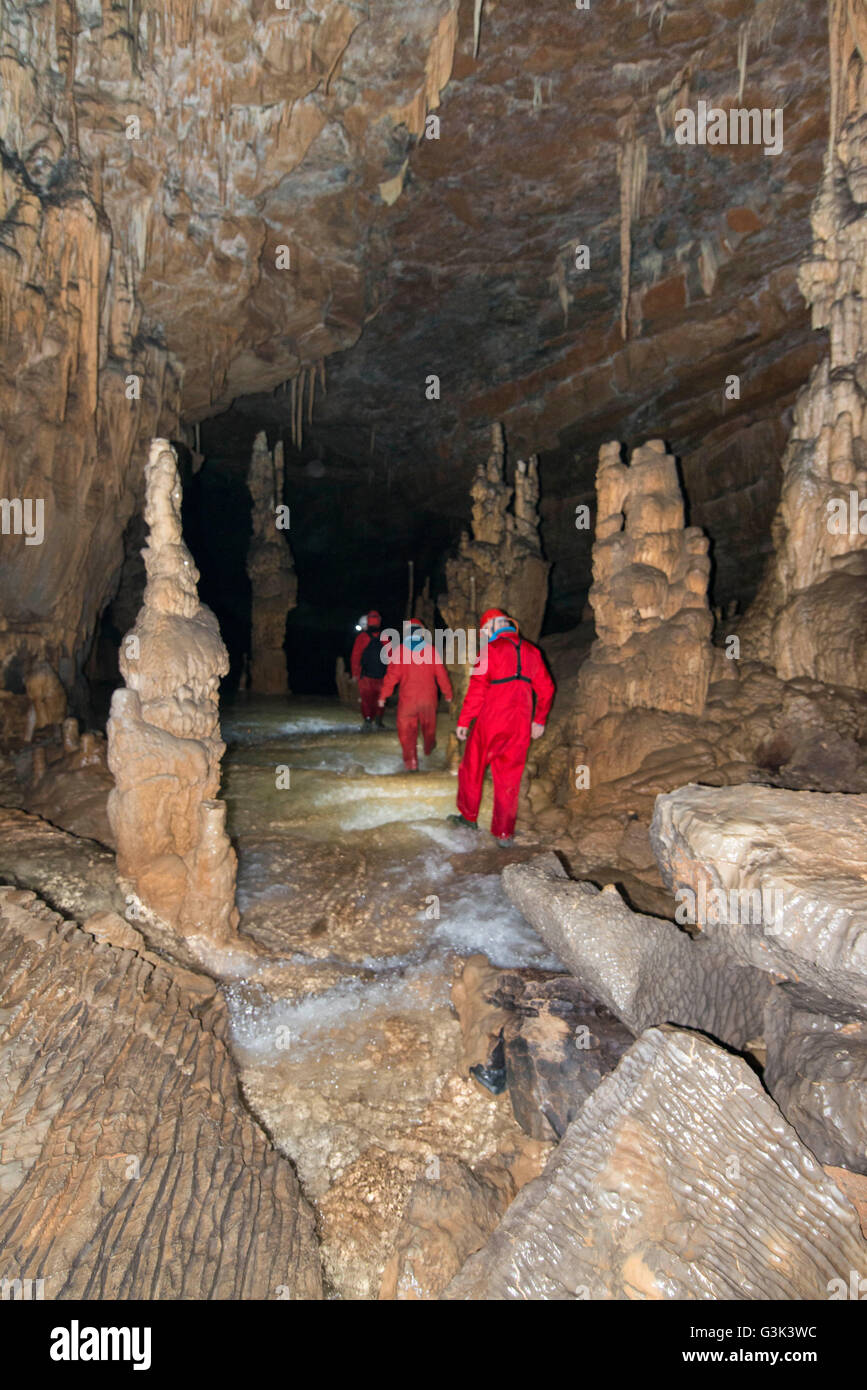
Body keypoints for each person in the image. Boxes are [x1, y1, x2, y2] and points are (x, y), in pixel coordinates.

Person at [448, 608, 554, 846]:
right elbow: (546, 689)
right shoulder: (532, 651)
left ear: (494, 626)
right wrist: (539, 719)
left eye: (485, 630)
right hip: (520, 724)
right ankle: (503, 833)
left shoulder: (490, 650)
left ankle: (468, 817)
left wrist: (464, 721)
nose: (485, 635)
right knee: (509, 777)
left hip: (491, 720)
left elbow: (477, 689)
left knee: (471, 768)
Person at [377, 619, 453, 770]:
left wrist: (383, 696)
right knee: (429, 726)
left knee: (406, 731)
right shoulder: (431, 650)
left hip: (408, 701)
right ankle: (429, 746)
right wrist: (448, 693)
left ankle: (411, 764)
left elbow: (391, 676)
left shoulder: (400, 651)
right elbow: (441, 674)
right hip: (428, 700)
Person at [350, 610, 387, 731]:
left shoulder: (362, 637)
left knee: (366, 699)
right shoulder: (385, 636)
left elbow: (356, 656)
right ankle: (378, 720)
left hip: (365, 675)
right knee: (380, 698)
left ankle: (367, 720)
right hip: (382, 676)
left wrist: (355, 674)